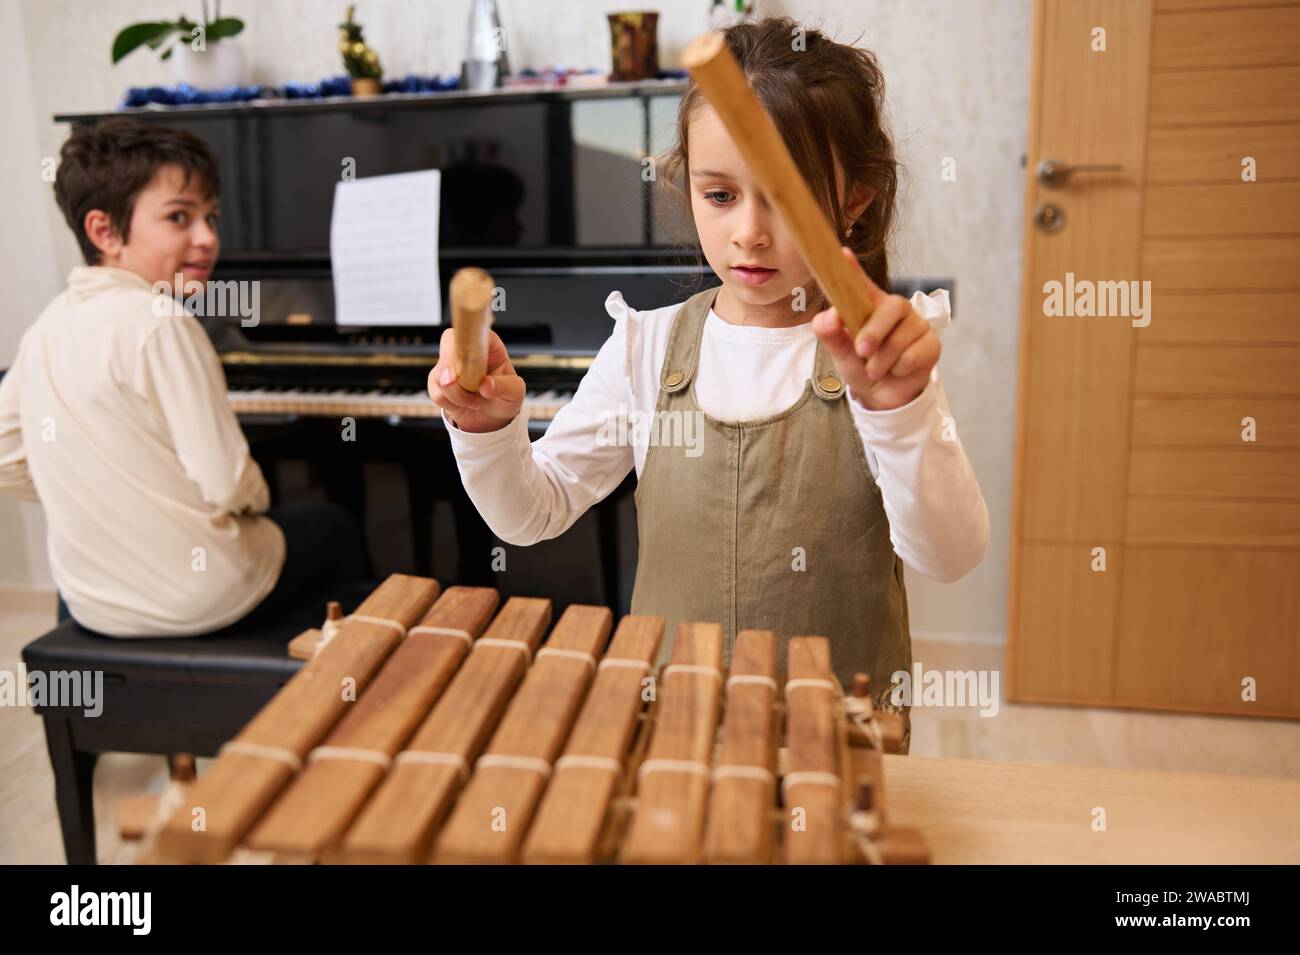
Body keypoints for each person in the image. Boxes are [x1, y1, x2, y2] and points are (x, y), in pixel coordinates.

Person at [428, 18, 989, 752]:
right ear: (683, 184)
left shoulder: (886, 357)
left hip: (838, 745)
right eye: (719, 195)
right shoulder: (646, 345)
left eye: (783, 199)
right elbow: (531, 512)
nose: (749, 233)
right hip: (673, 737)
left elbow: (949, 555)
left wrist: (902, 413)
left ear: (855, 200)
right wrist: (490, 431)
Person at [0, 118, 363, 636]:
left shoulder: (45, 326)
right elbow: (227, 482)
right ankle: (335, 677)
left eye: (211, 217)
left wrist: (101, 491)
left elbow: (6, 457)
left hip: (91, 603)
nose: (207, 238)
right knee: (334, 526)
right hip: (200, 597)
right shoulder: (162, 321)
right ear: (104, 231)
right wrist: (252, 503)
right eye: (179, 218)